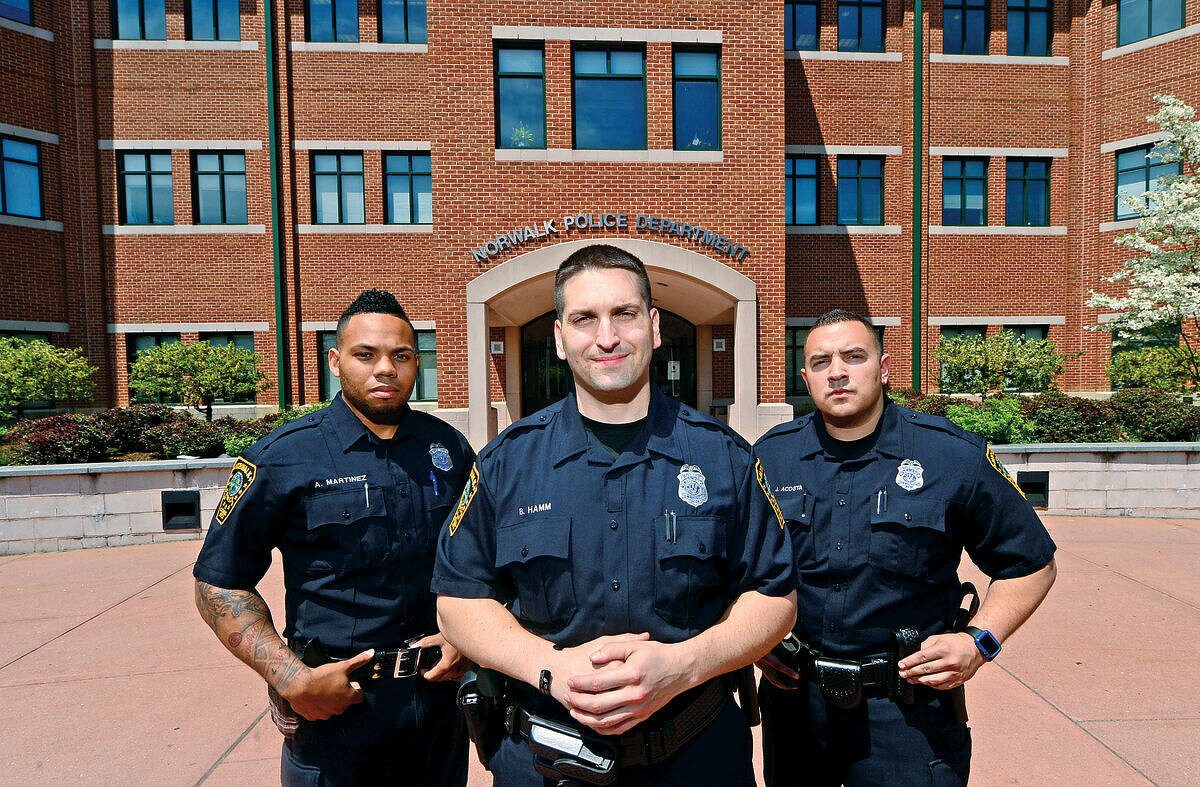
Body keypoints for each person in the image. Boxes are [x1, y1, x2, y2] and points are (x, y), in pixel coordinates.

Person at [431, 244, 797, 785]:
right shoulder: (507, 464)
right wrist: (550, 668)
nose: (606, 337)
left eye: (623, 314)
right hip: (544, 761)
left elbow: (775, 597)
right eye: (584, 319)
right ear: (559, 338)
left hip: (698, 756)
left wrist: (684, 666)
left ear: (652, 326)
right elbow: (459, 600)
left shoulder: (726, 457)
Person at [753, 309, 1058, 786]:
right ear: (806, 375)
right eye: (820, 361)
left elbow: (1030, 564)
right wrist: (755, 640)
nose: (837, 371)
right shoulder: (770, 457)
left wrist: (979, 643)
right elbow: (741, 564)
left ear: (884, 366)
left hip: (908, 714)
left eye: (854, 356)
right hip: (796, 707)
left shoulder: (950, 456)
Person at [193, 289, 473, 786]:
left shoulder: (448, 448)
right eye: (366, 354)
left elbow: (481, 560)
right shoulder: (281, 457)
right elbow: (220, 581)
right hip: (335, 713)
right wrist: (289, 678)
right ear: (336, 361)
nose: (384, 368)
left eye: (401, 355)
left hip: (437, 707)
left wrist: (468, 641)